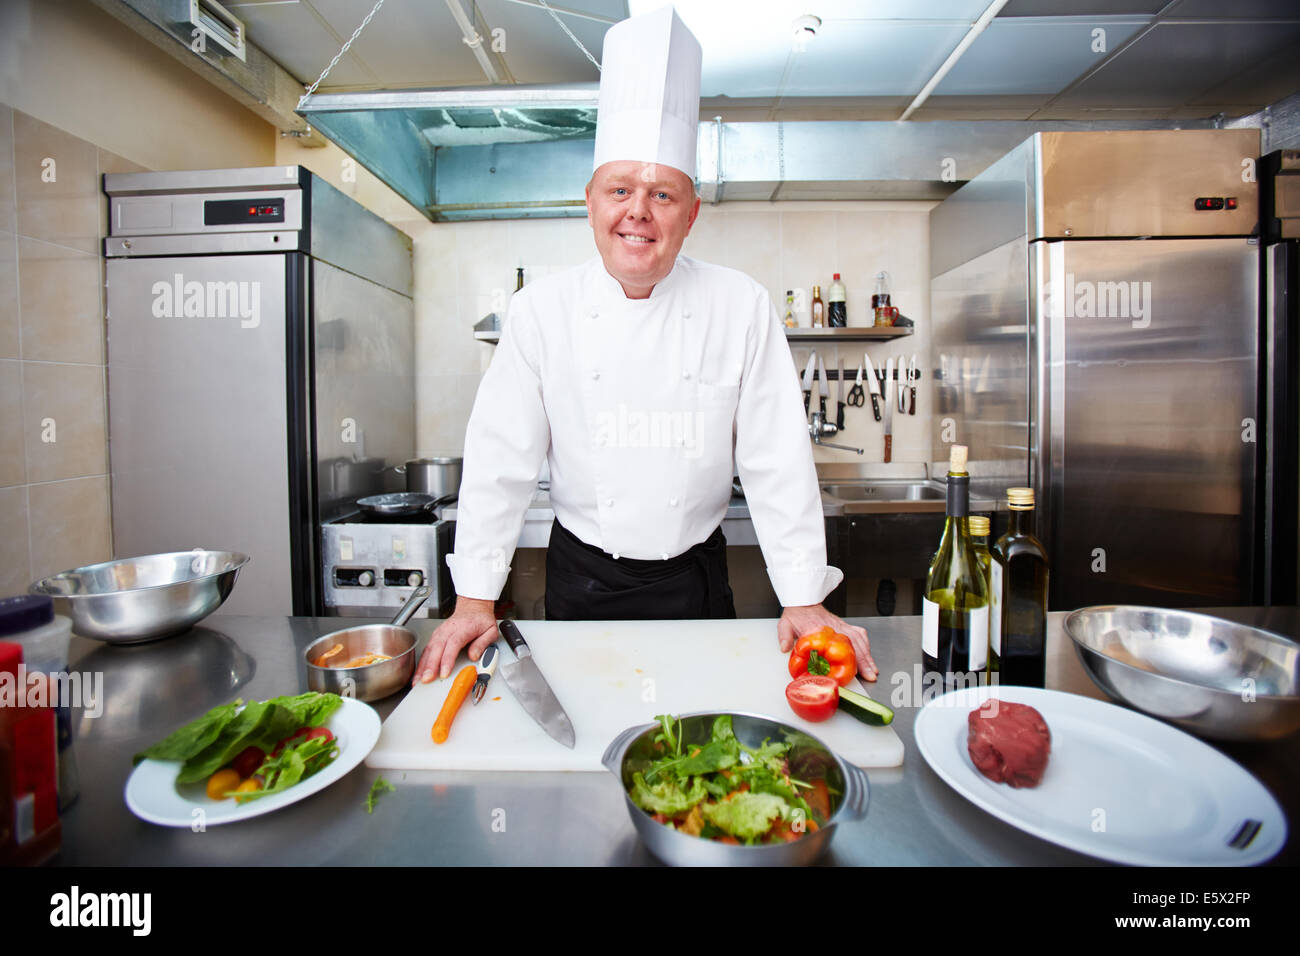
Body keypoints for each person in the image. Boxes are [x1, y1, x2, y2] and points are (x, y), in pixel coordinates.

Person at [414, 6, 874, 685]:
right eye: (620, 189)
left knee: (700, 758)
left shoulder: (739, 305)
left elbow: (776, 454)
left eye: (663, 194)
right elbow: (500, 459)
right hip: (582, 584)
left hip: (696, 581)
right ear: (591, 202)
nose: (639, 212)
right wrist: (475, 597)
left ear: (690, 214)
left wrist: (804, 596)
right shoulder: (540, 311)